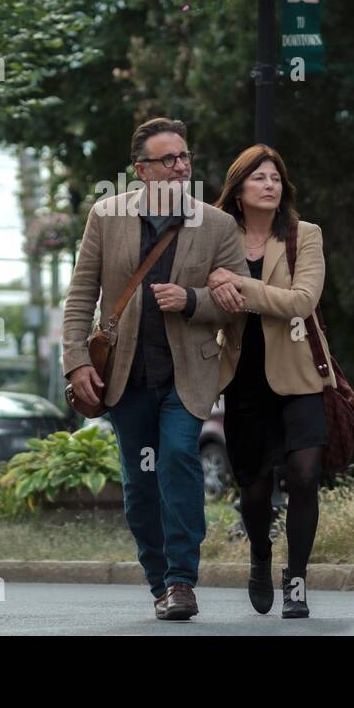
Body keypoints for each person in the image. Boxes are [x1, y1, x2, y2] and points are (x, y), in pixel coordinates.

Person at [62, 117, 247, 621]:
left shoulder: (217, 225)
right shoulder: (107, 215)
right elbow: (81, 296)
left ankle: (182, 581)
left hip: (188, 375)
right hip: (125, 376)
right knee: (141, 484)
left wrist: (191, 300)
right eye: (167, 159)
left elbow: (239, 300)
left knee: (178, 460)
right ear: (141, 169)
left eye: (184, 157)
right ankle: (157, 580)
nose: (180, 166)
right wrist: (77, 361)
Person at [210, 144, 330, 618]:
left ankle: (296, 580)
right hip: (243, 381)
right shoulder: (218, 240)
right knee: (255, 490)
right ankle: (260, 554)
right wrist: (214, 288)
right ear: (238, 190)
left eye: (276, 178)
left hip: (299, 377)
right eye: (259, 178)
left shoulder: (306, 236)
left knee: (304, 477)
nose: (269, 185)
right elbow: (208, 303)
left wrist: (239, 286)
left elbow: (301, 302)